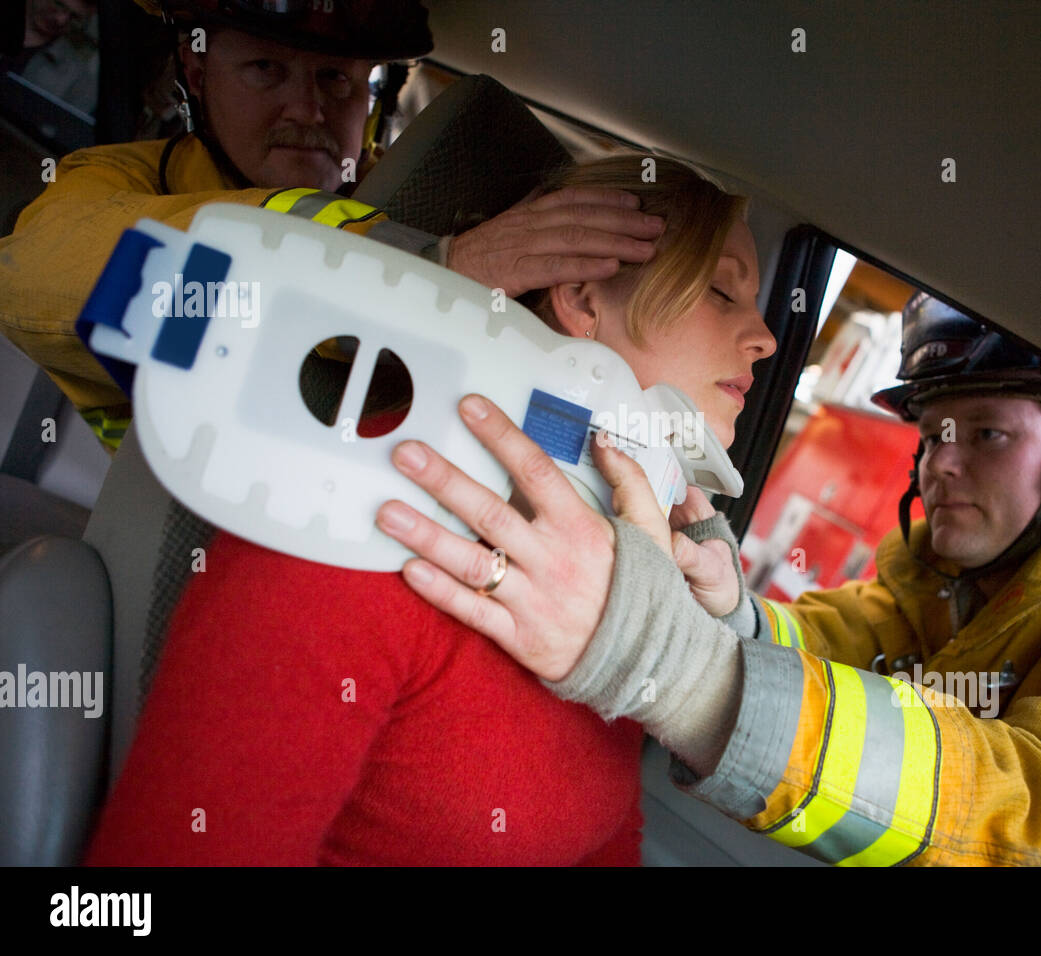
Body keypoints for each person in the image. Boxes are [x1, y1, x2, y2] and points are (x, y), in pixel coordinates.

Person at [379, 292, 1041, 866]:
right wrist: (726, 610)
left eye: (985, 434)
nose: (940, 465)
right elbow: (843, 644)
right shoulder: (959, 575)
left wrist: (680, 669)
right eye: (933, 434)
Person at [83, 155, 778, 865]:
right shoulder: (349, 534)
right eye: (723, 292)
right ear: (582, 296)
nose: (766, 339)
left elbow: (608, 842)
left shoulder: (615, 603)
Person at [0, 0, 664, 449]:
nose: (308, 108)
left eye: (336, 80)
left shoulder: (434, 211)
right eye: (266, 69)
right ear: (197, 73)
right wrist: (423, 274)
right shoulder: (113, 184)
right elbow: (34, 275)